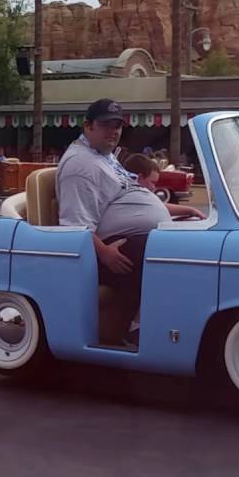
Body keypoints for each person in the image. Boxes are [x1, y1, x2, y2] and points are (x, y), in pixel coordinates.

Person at [56, 99, 202, 346]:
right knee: (170, 252)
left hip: (133, 238)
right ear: (88, 126)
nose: (113, 131)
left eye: (118, 125)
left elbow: (130, 199)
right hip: (109, 249)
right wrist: (104, 253)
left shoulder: (104, 157)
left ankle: (184, 325)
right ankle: (137, 328)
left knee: (198, 241)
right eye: (106, 125)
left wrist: (186, 211)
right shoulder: (80, 166)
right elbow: (74, 226)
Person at [122, 154, 205, 219]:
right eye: (152, 182)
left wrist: (191, 210)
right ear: (139, 178)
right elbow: (158, 207)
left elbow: (159, 206)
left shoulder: (132, 195)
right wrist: (190, 210)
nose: (154, 187)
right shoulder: (128, 197)